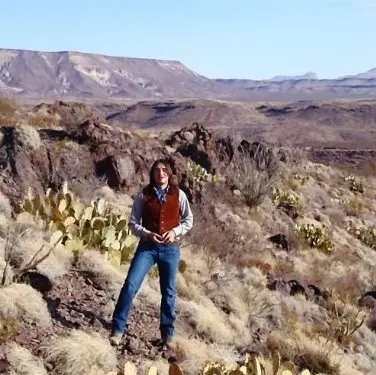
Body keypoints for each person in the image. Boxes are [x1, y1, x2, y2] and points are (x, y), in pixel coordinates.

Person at [110, 158, 193, 348]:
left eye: (164, 170)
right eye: (157, 170)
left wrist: (174, 232)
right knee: (130, 285)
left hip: (171, 249)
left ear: (170, 173)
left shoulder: (179, 195)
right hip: (148, 247)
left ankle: (167, 335)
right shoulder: (143, 195)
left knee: (169, 292)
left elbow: (188, 220)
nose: (161, 173)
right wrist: (147, 234)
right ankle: (117, 329)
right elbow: (133, 222)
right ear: (152, 174)